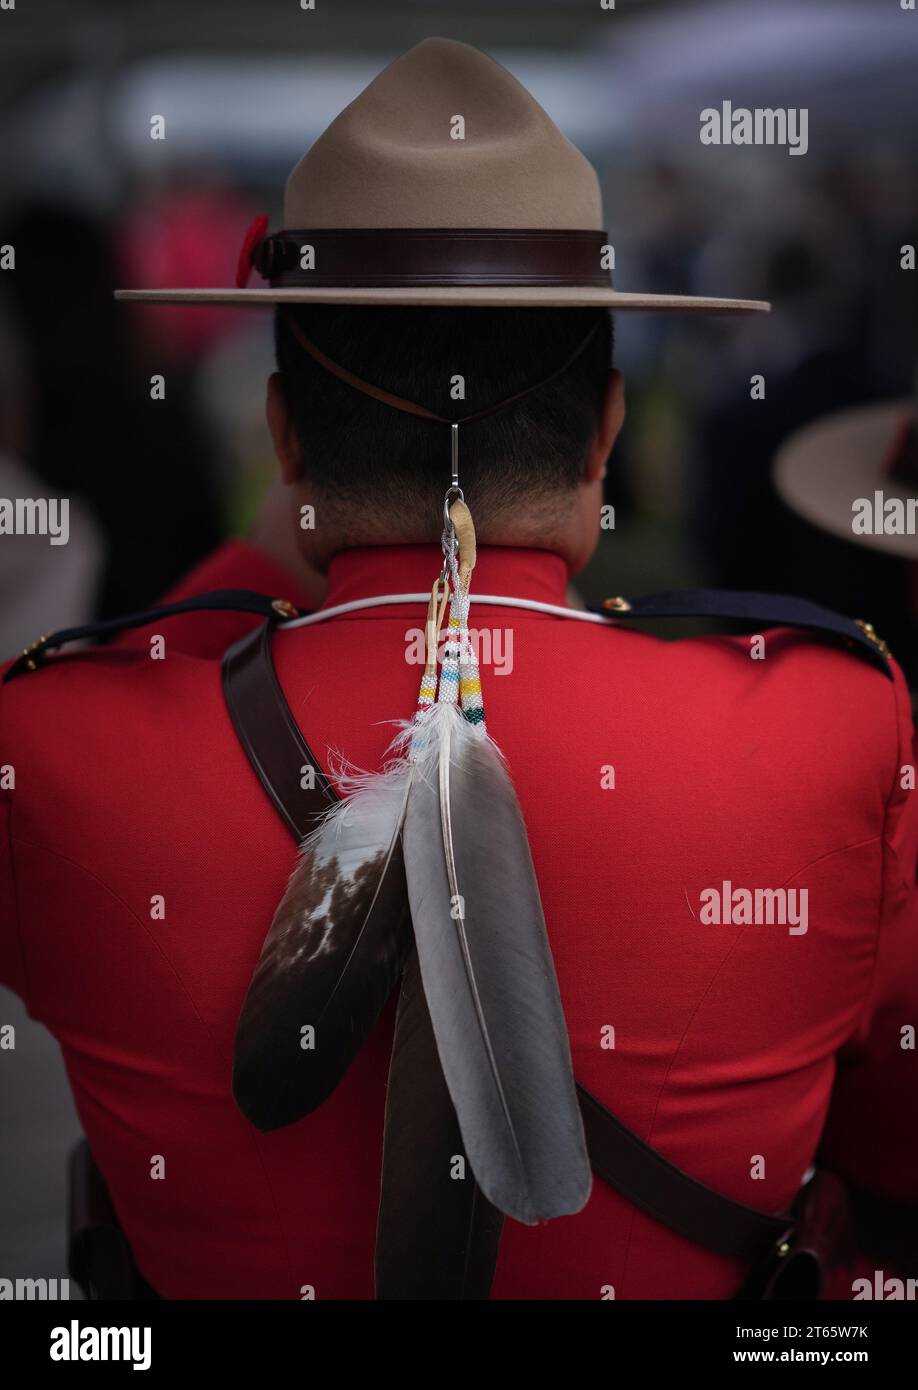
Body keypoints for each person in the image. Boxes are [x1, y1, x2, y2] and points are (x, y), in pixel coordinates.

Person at [1, 38, 916, 1301]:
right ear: (608, 432)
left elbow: (135, 690)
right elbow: (896, 1160)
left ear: (279, 438)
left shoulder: (53, 750)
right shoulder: (841, 722)